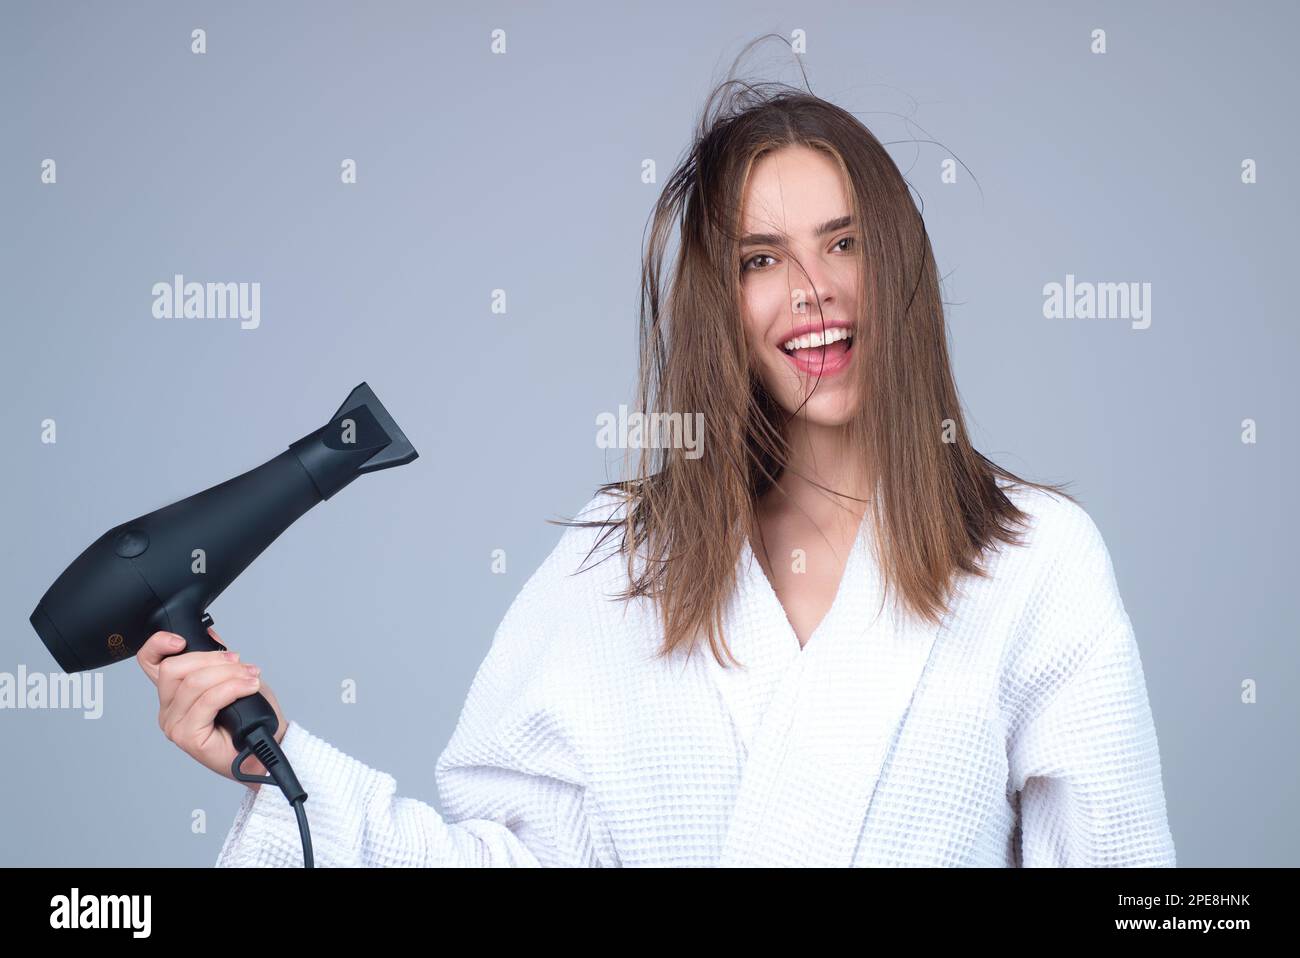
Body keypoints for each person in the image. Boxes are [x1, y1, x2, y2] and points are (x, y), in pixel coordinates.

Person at [135, 73, 1176, 868]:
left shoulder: (1035, 559)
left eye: (845, 243)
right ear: (717, 307)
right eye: (758, 259)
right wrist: (280, 763)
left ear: (897, 264)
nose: (812, 291)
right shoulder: (620, 562)